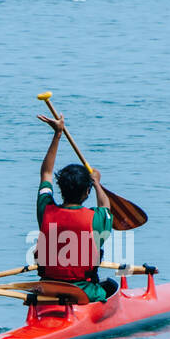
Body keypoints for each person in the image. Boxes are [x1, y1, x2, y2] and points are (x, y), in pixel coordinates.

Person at [35, 112, 118, 302]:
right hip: (83, 293)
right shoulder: (94, 219)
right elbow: (106, 205)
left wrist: (57, 134)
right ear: (86, 193)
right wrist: (97, 183)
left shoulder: (46, 210)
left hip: (47, 288)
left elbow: (46, 173)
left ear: (60, 189)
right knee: (111, 287)